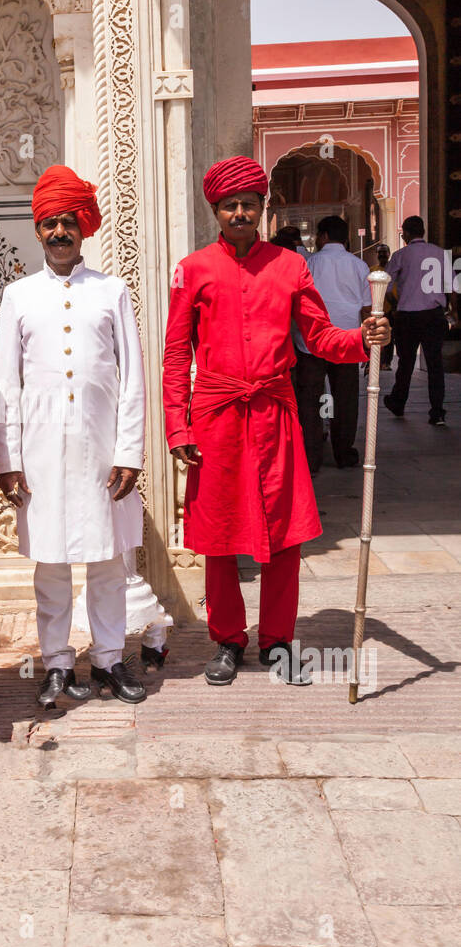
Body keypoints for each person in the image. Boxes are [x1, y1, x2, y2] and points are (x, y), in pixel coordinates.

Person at [163, 156, 389, 687]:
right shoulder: (192, 269)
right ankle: (226, 639)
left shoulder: (291, 267)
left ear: (263, 208)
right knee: (219, 537)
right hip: (215, 416)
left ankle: (279, 641)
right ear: (215, 210)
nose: (239, 213)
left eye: (248, 204)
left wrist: (361, 339)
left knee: (284, 537)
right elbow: (176, 354)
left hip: (275, 412)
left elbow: (320, 335)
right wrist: (178, 425)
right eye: (229, 206)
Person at [0, 164, 147, 707]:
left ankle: (108, 660)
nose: (59, 232)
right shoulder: (18, 296)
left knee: (109, 562)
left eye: (68, 223)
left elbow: (133, 378)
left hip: (103, 451)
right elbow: (4, 383)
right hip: (40, 456)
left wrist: (129, 452)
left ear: (84, 228)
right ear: (37, 230)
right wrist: (7, 459)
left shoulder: (113, 291)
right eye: (50, 224)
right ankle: (56, 663)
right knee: (51, 566)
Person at [294, 215, 371, 472]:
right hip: (346, 342)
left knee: (310, 401)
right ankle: (344, 453)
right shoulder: (359, 266)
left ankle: (310, 458)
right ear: (346, 238)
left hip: (311, 342)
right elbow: (367, 310)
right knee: (346, 398)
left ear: (323, 236)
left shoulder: (309, 263)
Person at [384, 216, 449, 426]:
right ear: (423, 231)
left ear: (406, 234)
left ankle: (398, 402)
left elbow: (385, 285)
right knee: (435, 364)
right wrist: (450, 309)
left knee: (406, 362)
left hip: (409, 315)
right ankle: (437, 411)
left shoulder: (401, 255)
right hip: (434, 314)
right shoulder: (440, 253)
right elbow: (450, 285)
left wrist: (395, 302)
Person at [375, 242, 395, 370]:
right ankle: (375, 362)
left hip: (393, 310)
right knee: (377, 338)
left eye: (384, 252)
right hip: (378, 310)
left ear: (388, 254)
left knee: (389, 338)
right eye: (380, 252)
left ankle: (386, 362)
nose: (382, 255)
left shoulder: (394, 270)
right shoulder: (372, 271)